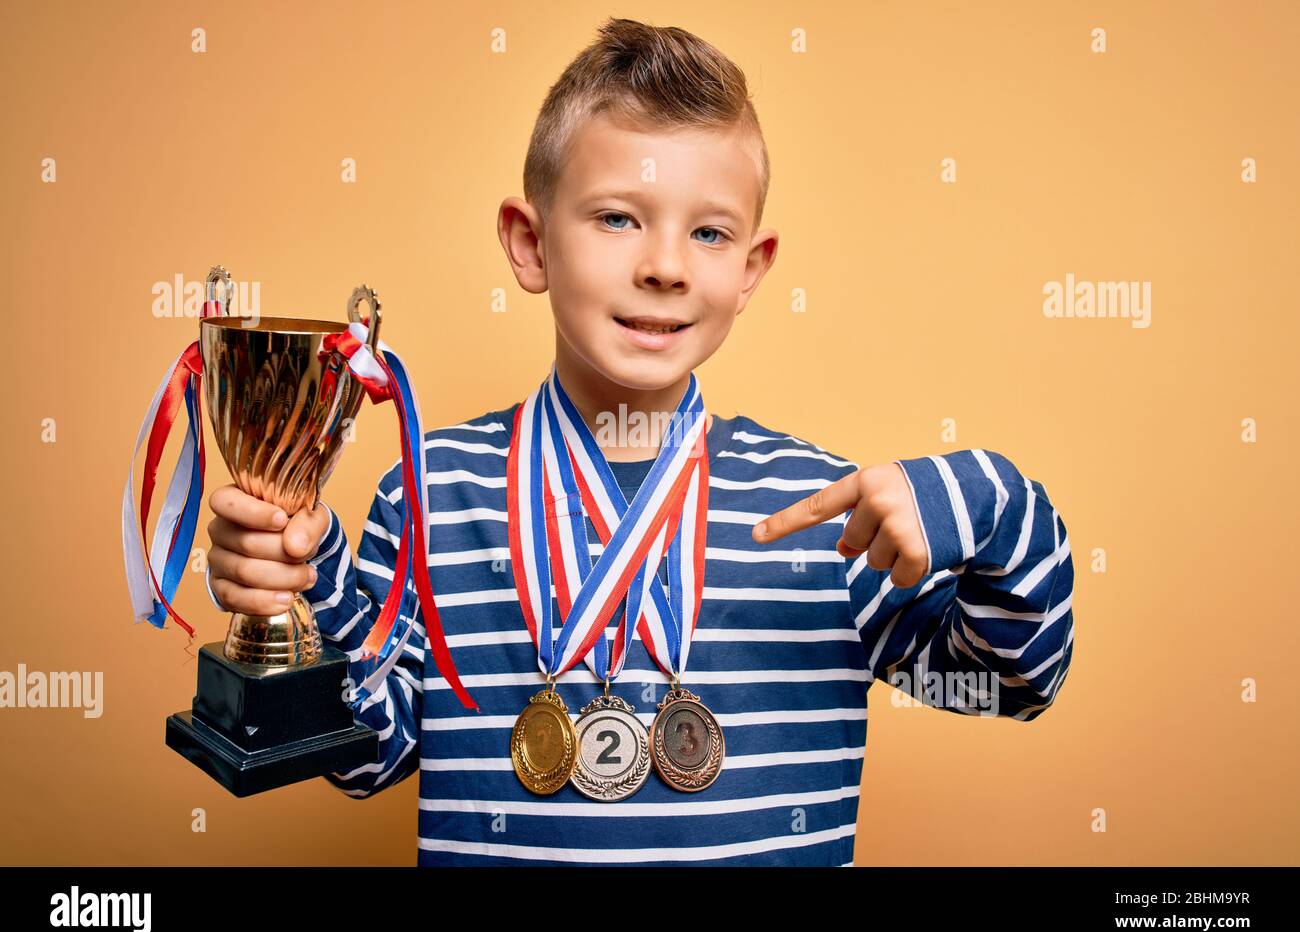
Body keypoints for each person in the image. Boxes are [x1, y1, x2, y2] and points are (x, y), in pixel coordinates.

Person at [204, 17, 1074, 865]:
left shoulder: (825, 510)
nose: (666, 265)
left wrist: (989, 504)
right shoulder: (432, 493)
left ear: (751, 272)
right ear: (530, 242)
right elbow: (369, 755)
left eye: (709, 232)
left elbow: (1012, 683)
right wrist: (295, 582)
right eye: (619, 218)